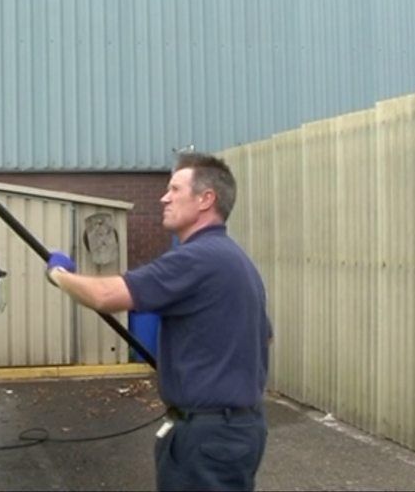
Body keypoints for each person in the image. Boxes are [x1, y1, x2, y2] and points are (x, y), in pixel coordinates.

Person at [46, 152, 272, 492]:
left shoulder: (197, 257)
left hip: (208, 438)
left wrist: (59, 274)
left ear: (205, 199)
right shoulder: (235, 259)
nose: (164, 197)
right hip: (232, 431)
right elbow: (263, 338)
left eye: (174, 189)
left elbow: (106, 296)